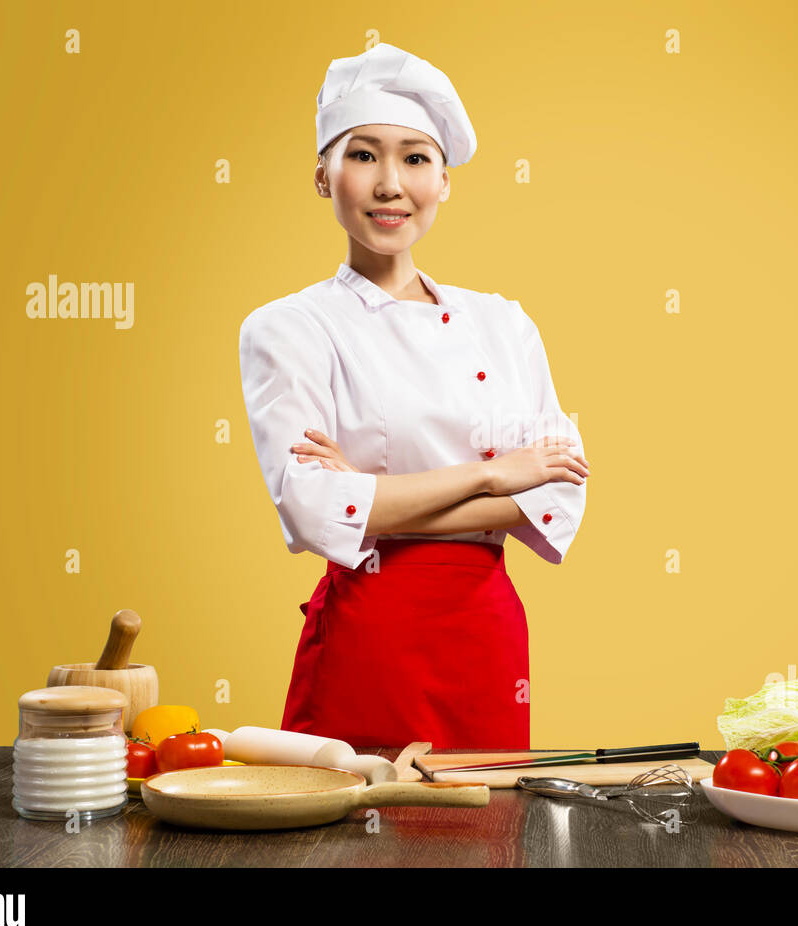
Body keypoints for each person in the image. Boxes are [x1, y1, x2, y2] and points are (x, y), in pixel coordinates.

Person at [237, 43, 589, 750]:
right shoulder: (288, 327)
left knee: (484, 839)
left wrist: (372, 496)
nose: (390, 183)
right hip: (371, 631)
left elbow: (558, 490)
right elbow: (309, 508)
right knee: (347, 840)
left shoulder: (503, 322)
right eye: (363, 155)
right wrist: (493, 475)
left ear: (444, 181)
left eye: (416, 159)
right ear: (322, 175)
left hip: (485, 630)